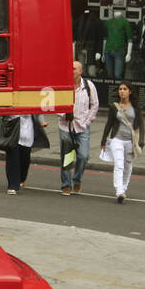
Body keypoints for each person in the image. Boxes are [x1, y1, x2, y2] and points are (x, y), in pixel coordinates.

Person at [59, 59, 99, 195]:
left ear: (81, 71)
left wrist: (87, 121)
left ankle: (77, 179)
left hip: (82, 127)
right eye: (70, 68)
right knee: (67, 157)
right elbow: (55, 103)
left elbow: (95, 105)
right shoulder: (63, 85)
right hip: (66, 127)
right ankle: (65, 185)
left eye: (75, 68)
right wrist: (63, 114)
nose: (72, 71)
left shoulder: (89, 86)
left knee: (83, 156)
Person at [100, 81, 145, 203]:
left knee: (128, 166)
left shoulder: (136, 107)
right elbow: (109, 124)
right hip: (117, 140)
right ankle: (119, 191)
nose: (122, 91)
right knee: (119, 165)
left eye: (125, 89)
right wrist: (103, 141)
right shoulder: (114, 106)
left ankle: (124, 188)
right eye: (120, 89)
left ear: (130, 91)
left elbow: (141, 124)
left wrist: (141, 141)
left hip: (130, 141)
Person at [0, 113, 49, 194]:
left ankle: (21, 179)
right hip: (13, 128)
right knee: (12, 159)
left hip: (27, 132)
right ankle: (12, 185)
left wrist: (42, 121)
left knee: (25, 159)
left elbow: (38, 109)